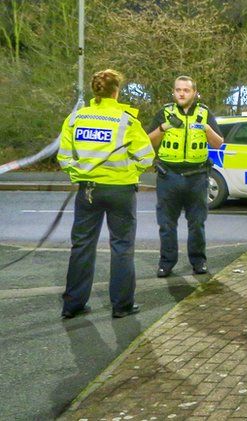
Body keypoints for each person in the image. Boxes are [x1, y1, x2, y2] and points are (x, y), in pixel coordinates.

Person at [57, 69, 155, 319]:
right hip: (120, 191)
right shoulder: (126, 120)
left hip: (88, 190)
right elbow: (146, 157)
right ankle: (121, 306)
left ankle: (73, 305)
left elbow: (65, 159)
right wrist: (127, 170)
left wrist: (81, 172)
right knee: (122, 247)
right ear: (117, 91)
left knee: (82, 246)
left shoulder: (76, 119)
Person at [147, 76, 223, 277]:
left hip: (196, 177)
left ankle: (199, 262)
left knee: (197, 223)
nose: (181, 93)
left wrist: (206, 128)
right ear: (173, 92)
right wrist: (163, 127)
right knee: (166, 224)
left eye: (186, 90)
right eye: (178, 90)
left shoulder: (204, 113)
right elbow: (149, 142)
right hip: (168, 176)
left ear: (194, 93)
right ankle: (166, 263)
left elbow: (218, 144)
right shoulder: (165, 112)